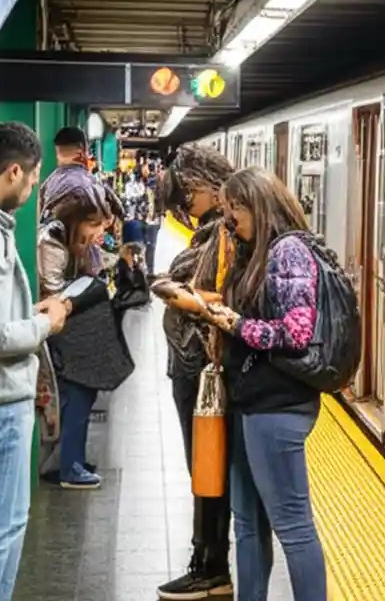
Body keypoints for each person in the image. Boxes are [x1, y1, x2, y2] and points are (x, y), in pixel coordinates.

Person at [200, 167, 327, 601]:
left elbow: (296, 333)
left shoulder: (288, 252)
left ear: (258, 205)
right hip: (251, 402)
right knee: (247, 520)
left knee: (292, 524)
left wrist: (234, 324)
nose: (230, 220)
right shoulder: (255, 249)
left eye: (234, 209)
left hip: (278, 406)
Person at [0, 123, 69, 601]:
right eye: (32, 180)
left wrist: (29, 314)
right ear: (13, 172)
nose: (33, 189)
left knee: (2, 525)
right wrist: (46, 325)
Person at [156, 144, 237, 600]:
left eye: (185, 199)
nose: (183, 210)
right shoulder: (221, 229)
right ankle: (208, 560)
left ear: (203, 188)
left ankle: (209, 566)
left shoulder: (217, 233)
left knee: (205, 466)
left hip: (199, 368)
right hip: (196, 366)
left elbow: (183, 285)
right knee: (206, 466)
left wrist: (170, 288)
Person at [38, 183, 121, 490]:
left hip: (64, 328)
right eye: (94, 224)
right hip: (53, 330)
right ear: (76, 221)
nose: (100, 231)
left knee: (82, 392)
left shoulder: (73, 243)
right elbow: (55, 294)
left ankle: (69, 460)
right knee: (77, 391)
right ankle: (69, 466)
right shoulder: (51, 243)